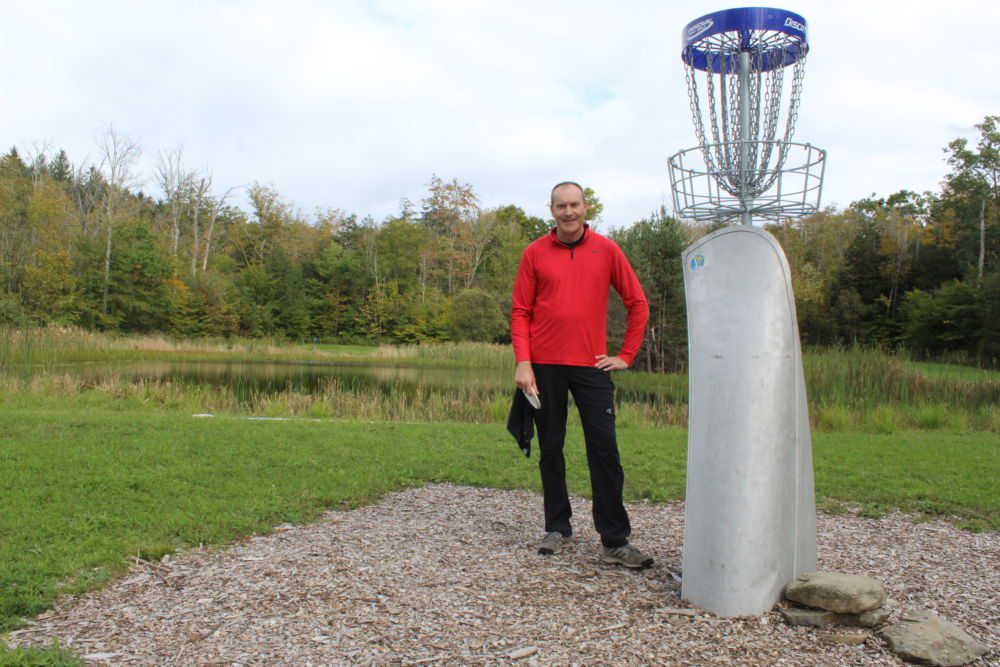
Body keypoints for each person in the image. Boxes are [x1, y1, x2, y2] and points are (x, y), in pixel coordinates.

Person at [510, 181, 653, 568]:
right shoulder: (534, 252)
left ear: (585, 207)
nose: (568, 212)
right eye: (561, 206)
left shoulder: (606, 250)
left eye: (574, 204)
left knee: (604, 450)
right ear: (551, 209)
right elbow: (521, 311)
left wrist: (625, 355)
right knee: (551, 447)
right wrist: (523, 362)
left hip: (591, 366)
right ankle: (557, 527)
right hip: (544, 366)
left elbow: (637, 303)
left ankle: (614, 541)